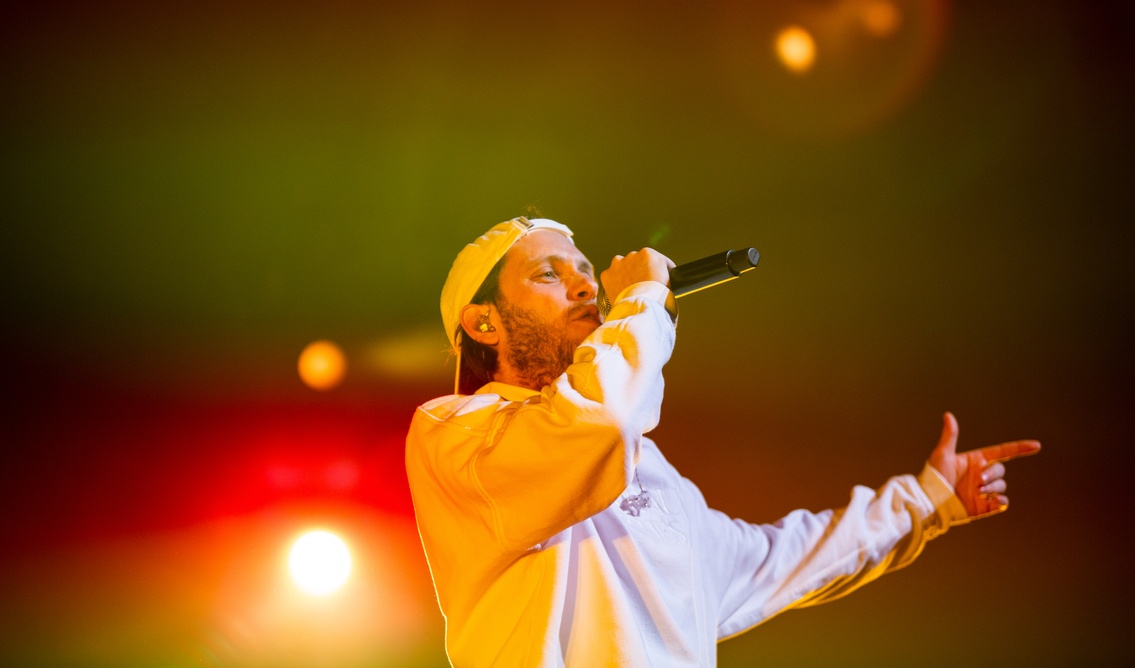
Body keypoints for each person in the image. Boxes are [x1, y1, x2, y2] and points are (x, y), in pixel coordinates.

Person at [405, 216, 1040, 666]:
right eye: (548, 273)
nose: (585, 287)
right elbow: (599, 420)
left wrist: (927, 500)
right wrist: (645, 299)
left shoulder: (646, 469)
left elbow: (774, 561)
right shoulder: (458, 434)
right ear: (483, 322)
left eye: (585, 273)